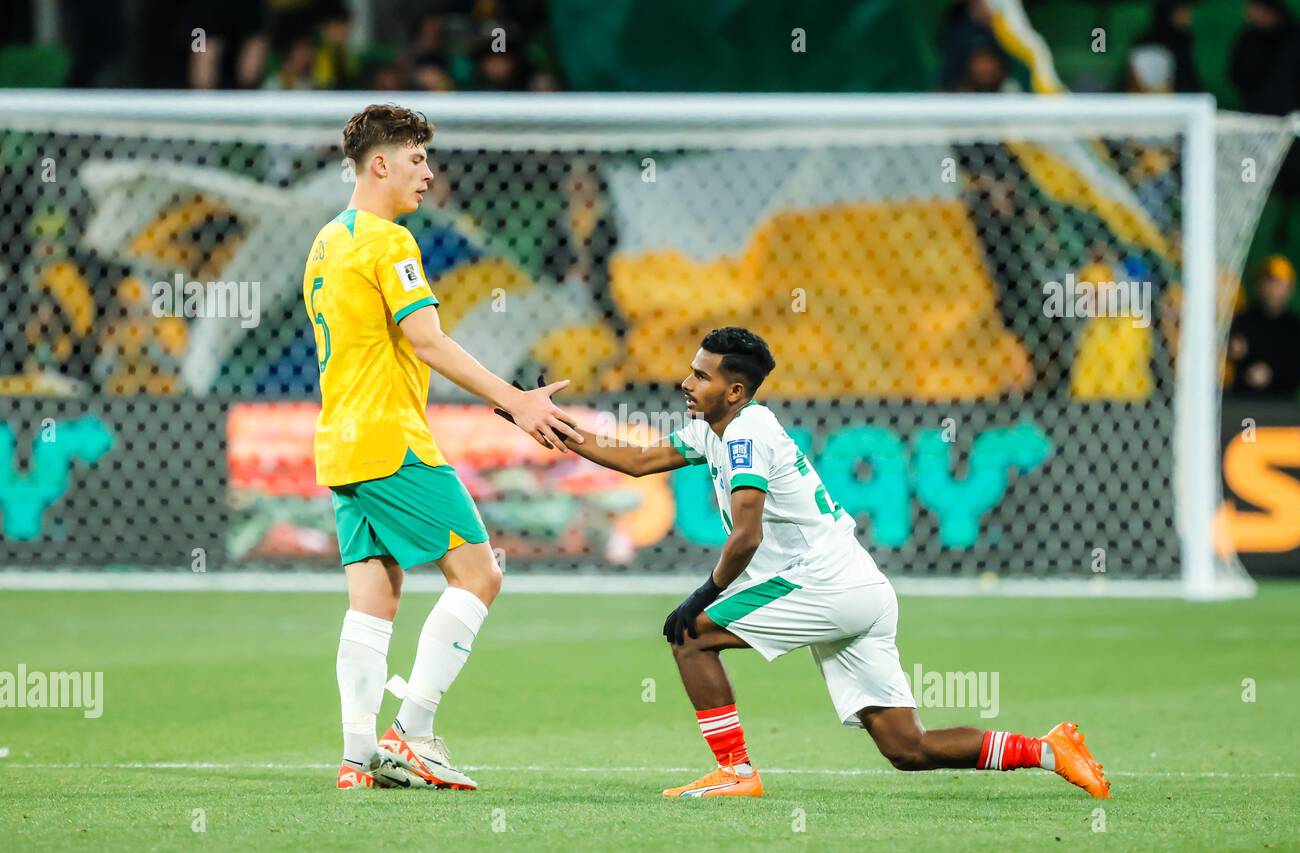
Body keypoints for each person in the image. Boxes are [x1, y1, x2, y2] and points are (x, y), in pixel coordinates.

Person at [550, 327, 1111, 799]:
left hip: (824, 584)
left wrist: (701, 596)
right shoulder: (720, 428)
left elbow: (745, 538)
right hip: (858, 585)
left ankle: (737, 772)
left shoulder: (745, 435)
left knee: (690, 636)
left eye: (701, 375)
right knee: (906, 748)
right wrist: (550, 426)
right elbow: (640, 458)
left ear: (736, 389)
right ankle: (1047, 750)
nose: (685, 382)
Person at [302, 103, 581, 790]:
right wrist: (515, 399)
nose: (429, 172)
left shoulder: (327, 241)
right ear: (380, 164)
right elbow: (426, 337)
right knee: (480, 573)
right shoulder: (389, 242)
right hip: (390, 440)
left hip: (339, 443)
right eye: (418, 158)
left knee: (374, 599)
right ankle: (414, 730)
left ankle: (358, 755)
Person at [1228, 255, 1300, 398]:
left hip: (1282, 405)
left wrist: (1271, 374)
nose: (1271, 288)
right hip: (1242, 402)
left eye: (1277, 283)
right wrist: (1233, 350)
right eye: (1267, 281)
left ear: (1289, 287)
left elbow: (1293, 368)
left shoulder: (1294, 326)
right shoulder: (1244, 318)